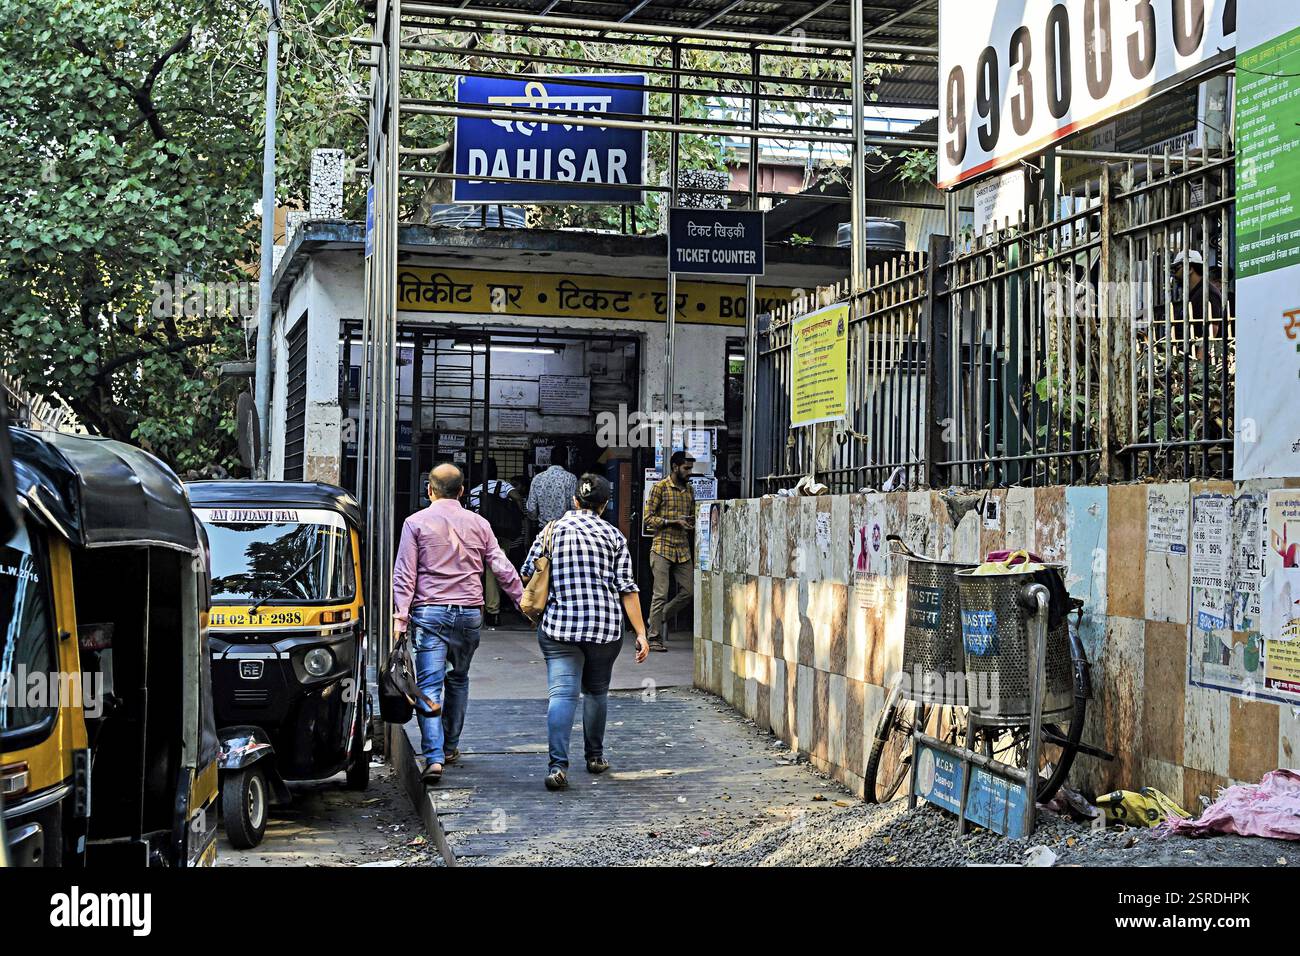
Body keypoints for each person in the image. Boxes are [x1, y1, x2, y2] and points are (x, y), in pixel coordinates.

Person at [393, 463, 523, 784]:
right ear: (462, 491)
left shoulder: (415, 523)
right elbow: (501, 566)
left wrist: (400, 619)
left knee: (429, 685)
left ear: (429, 490)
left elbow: (405, 575)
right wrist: (524, 602)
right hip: (469, 615)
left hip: (430, 615)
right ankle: (450, 746)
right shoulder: (479, 524)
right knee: (459, 679)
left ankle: (434, 757)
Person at [520, 473, 649, 792]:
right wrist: (641, 633)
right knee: (596, 691)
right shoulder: (614, 536)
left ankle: (557, 766)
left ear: (574, 500)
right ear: (604, 505)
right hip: (604, 629)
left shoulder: (551, 531)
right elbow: (627, 588)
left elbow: (527, 573)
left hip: (559, 628)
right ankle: (595, 757)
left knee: (562, 694)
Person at [643, 450, 696, 653]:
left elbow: (691, 515)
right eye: (686, 468)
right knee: (660, 594)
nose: (689, 472)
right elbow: (648, 519)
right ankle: (653, 637)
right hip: (662, 547)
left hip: (682, 548)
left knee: (689, 591)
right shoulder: (660, 488)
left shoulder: (689, 490)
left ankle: (658, 617)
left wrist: (690, 522)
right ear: (675, 467)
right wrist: (672, 522)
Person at [469, 459, 527, 627]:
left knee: (477, 570)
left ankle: (477, 607)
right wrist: (519, 514)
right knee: (497, 570)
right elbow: (517, 497)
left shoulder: (474, 491)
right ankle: (493, 612)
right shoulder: (503, 485)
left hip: (479, 535)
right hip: (502, 534)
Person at [526, 442, 578, 526]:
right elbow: (574, 506)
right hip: (565, 528)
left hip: (544, 529)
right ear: (566, 460)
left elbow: (532, 509)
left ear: (550, 460)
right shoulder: (571, 478)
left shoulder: (538, 478)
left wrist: (536, 519)